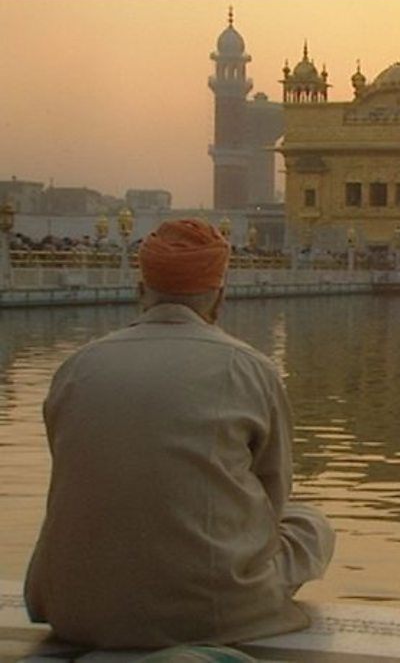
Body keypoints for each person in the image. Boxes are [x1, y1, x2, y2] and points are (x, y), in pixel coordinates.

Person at [25, 218, 336, 649]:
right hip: (208, 616)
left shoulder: (77, 366)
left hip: (74, 611)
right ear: (219, 300)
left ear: (140, 293)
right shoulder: (249, 368)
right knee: (308, 523)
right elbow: (274, 495)